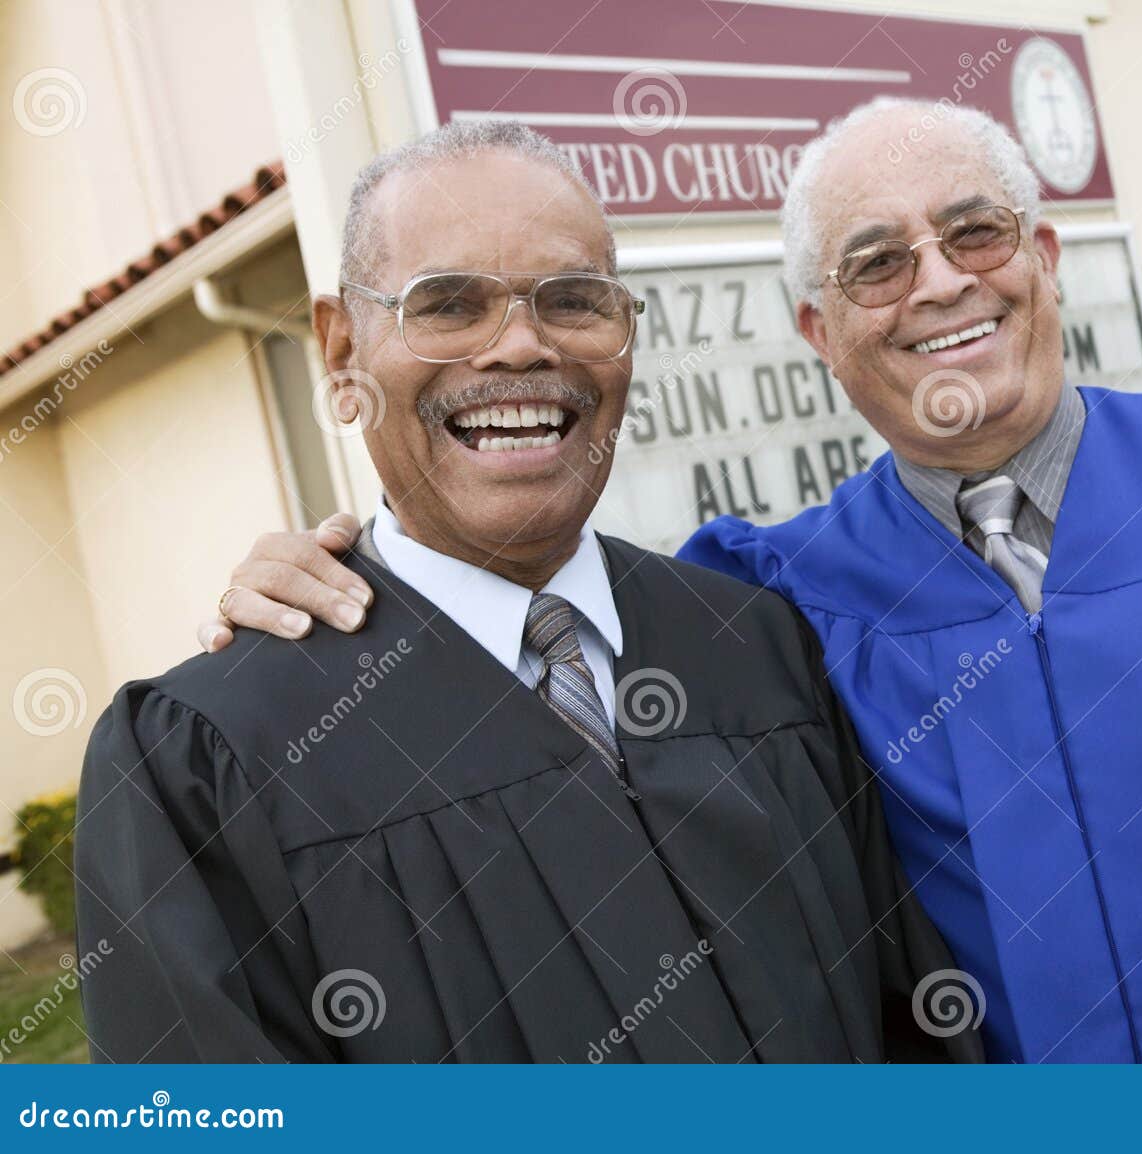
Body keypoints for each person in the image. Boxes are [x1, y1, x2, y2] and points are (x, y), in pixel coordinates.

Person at [199, 100, 1142, 1063]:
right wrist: (338, 577)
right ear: (818, 328)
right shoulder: (766, 603)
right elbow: (520, 639)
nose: (938, 282)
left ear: (1044, 259)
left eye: (976, 232)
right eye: (875, 264)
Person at [74, 120, 981, 1064]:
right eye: (450, 305)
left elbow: (911, 1022)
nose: (519, 348)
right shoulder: (212, 760)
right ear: (342, 351)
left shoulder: (754, 644)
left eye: (574, 301)